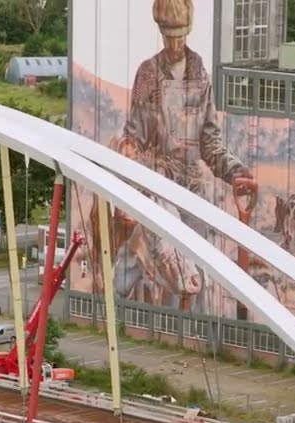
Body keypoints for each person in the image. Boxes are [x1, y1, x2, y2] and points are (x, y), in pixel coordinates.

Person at [112, 0, 257, 314]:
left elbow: (210, 141)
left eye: (180, 36)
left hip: (192, 191)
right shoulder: (148, 74)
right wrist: (131, 175)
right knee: (142, 265)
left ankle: (191, 343)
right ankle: (108, 313)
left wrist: (235, 171)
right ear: (162, 33)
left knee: (194, 274)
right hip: (157, 187)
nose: (175, 44)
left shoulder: (199, 74)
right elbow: (133, 136)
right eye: (169, 36)